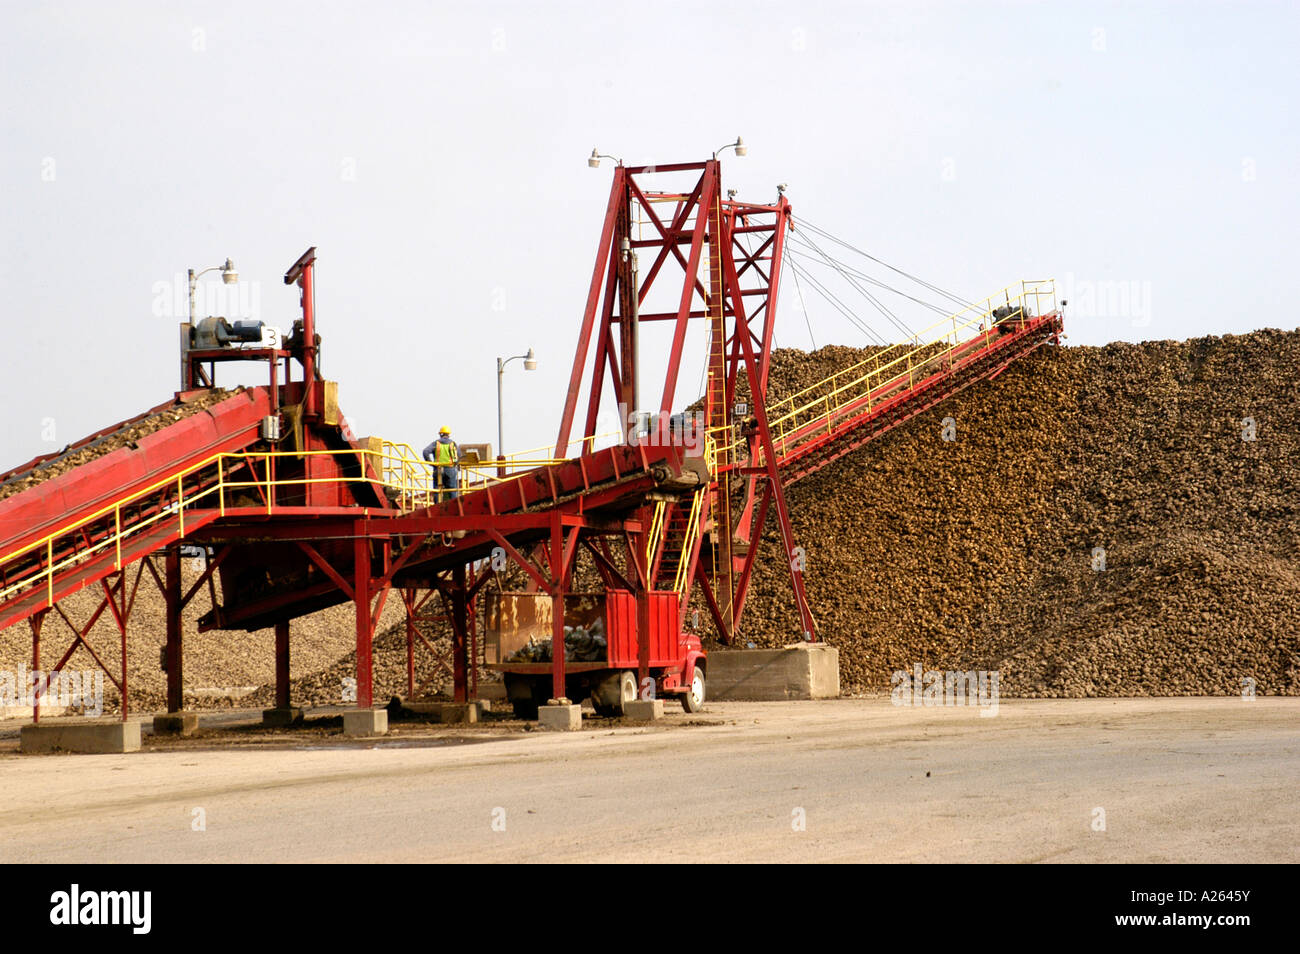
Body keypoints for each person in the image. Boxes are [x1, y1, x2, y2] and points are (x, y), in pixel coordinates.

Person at [422, 425, 459, 501]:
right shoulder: (453, 444)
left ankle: (436, 506)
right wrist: (456, 464)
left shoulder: (436, 443)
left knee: (437, 489)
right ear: (448, 434)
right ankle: (454, 505)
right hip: (450, 469)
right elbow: (459, 455)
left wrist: (431, 463)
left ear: (440, 434)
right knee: (452, 489)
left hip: (438, 469)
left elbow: (425, 452)